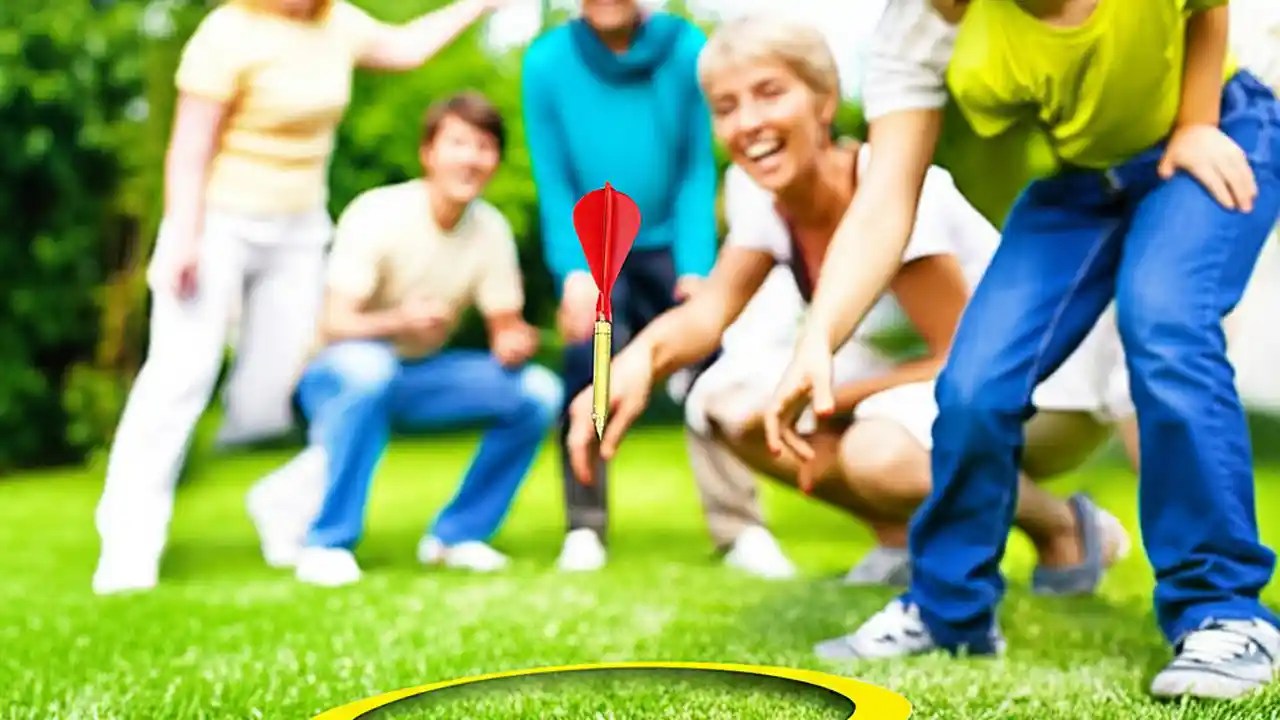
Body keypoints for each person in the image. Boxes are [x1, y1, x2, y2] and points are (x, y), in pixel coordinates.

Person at [763, 0, 1280, 701]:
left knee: (1165, 322)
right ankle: (950, 610)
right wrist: (819, 336)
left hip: (1217, 127)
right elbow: (886, 196)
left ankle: (1226, 612)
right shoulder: (917, 29)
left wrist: (1194, 121)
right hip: (1086, 179)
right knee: (974, 382)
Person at [564, 16, 1133, 597]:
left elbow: (963, 361)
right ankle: (898, 537)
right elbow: (706, 315)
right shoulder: (769, 201)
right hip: (917, 394)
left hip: (1043, 394)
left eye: (770, 93)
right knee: (725, 405)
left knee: (872, 452)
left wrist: (832, 404)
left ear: (825, 100)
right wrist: (626, 370)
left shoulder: (893, 196)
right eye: (726, 106)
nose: (749, 123)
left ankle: (1065, 529)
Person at [92, 0, 514, 595]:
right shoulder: (228, 32)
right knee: (181, 377)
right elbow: (189, 149)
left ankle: (284, 504)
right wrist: (184, 235)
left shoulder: (338, 22)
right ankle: (129, 541)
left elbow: (406, 47)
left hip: (297, 229)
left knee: (276, 394)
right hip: (219, 223)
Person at [246, 92, 563, 588]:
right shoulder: (379, 213)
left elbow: (506, 328)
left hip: (419, 376)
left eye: (484, 146)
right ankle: (326, 543)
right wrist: (400, 321)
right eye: (457, 143)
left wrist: (515, 342)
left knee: (537, 390)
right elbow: (334, 324)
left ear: (496, 160)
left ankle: (457, 536)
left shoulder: (491, 230)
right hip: (334, 372)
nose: (470, 157)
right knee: (369, 370)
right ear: (428, 153)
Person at [521, 0, 719, 572]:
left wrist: (696, 264)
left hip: (669, 243)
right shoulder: (547, 61)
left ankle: (740, 527)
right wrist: (573, 269)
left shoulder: (687, 49)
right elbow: (552, 176)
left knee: (709, 359)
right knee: (589, 359)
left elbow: (695, 165)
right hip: (594, 245)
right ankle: (585, 526)